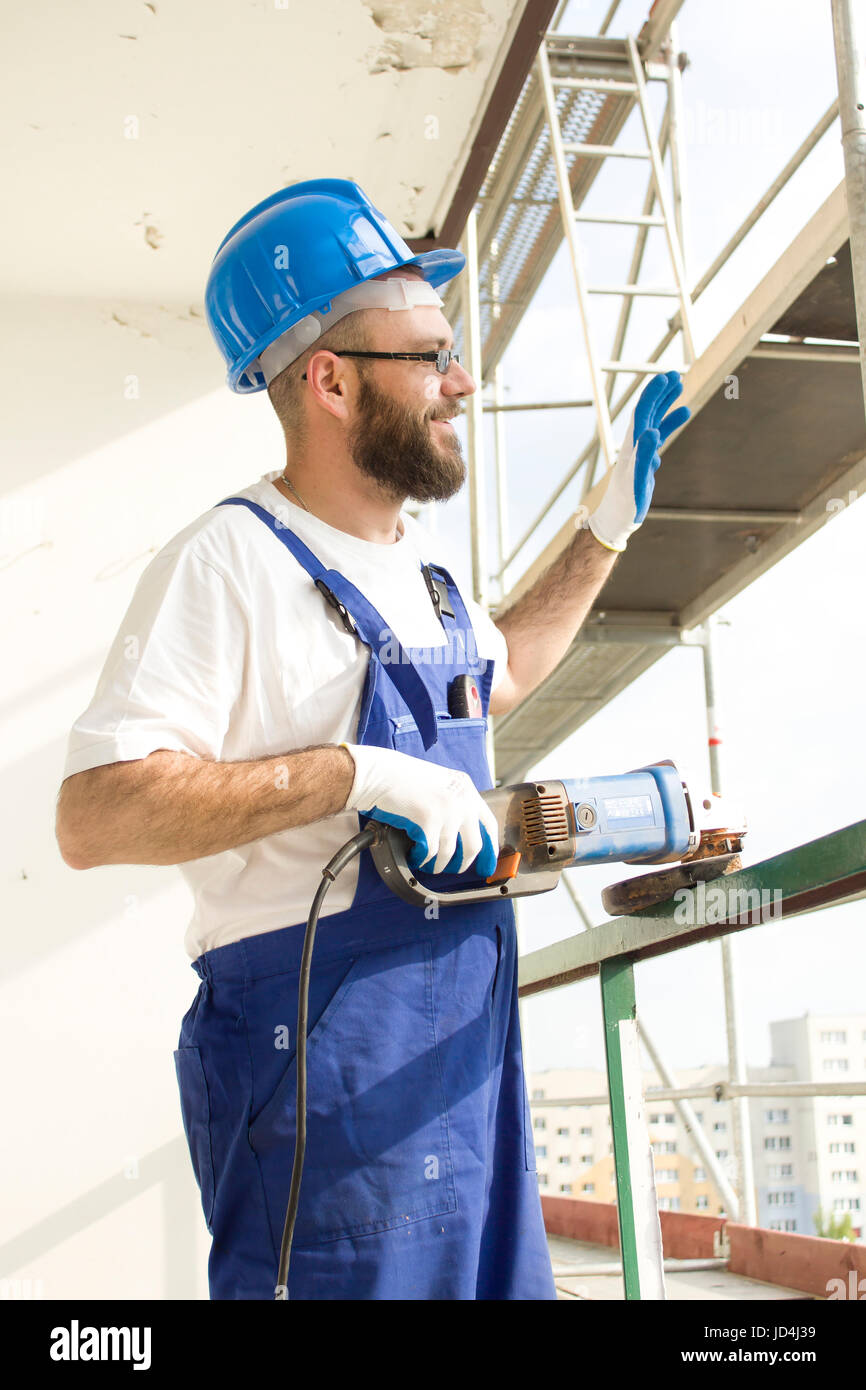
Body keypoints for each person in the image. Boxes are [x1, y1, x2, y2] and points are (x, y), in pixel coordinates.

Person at [55, 178, 689, 1300]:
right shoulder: (227, 563)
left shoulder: (425, 572)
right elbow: (97, 814)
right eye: (431, 355)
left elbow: (496, 680)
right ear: (331, 380)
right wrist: (356, 773)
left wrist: (604, 529)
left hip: (459, 1052)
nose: (462, 381)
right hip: (313, 1064)